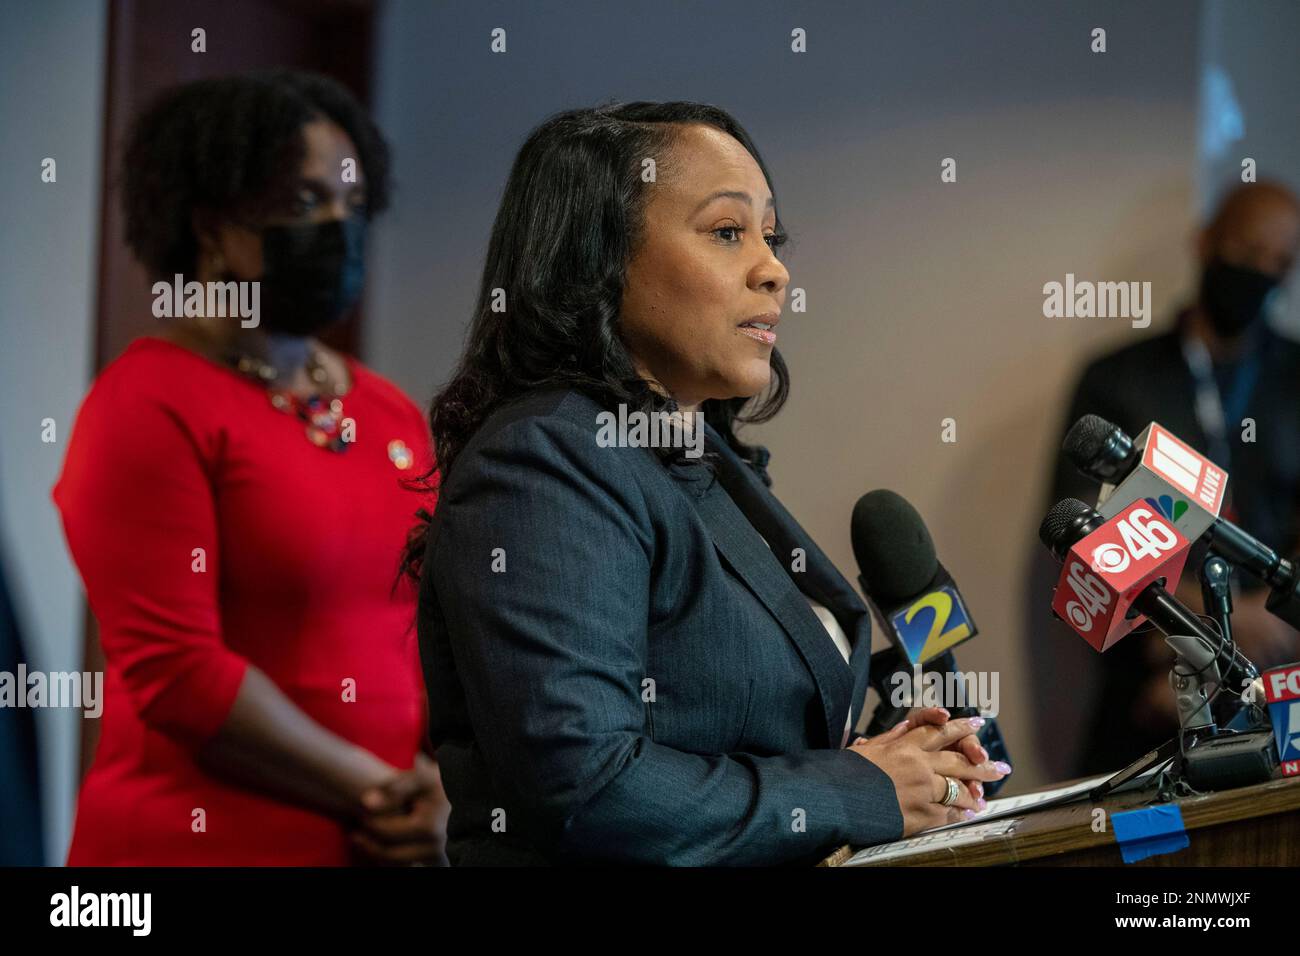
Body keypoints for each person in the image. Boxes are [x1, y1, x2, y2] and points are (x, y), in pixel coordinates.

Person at [402, 102, 1010, 866]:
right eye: (728, 233)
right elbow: (587, 789)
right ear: (599, 258)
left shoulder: (694, 458)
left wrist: (895, 760)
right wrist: (853, 787)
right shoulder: (543, 460)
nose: (775, 268)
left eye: (771, 236)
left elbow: (727, 735)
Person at [53, 71, 448, 865]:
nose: (339, 227)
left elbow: (430, 628)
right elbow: (179, 675)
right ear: (212, 225)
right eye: (304, 204)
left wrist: (444, 791)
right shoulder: (145, 403)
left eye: (351, 203)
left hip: (386, 844)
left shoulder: (389, 411)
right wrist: (380, 792)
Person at [1048, 180, 1300, 776]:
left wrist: (1266, 616)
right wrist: (1193, 631)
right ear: (1205, 242)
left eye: (1280, 264)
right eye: (1246, 252)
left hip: (1283, 683)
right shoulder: (1118, 379)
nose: (1260, 273)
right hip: (1150, 696)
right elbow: (1080, 532)